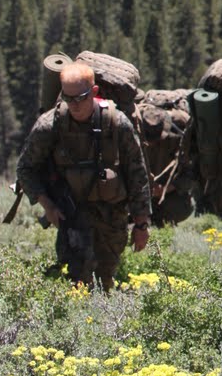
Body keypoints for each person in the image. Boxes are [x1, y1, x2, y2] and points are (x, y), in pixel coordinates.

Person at [15, 61, 152, 289]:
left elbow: (137, 174)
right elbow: (25, 169)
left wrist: (141, 224)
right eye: (68, 99)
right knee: (75, 281)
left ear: (94, 92)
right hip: (72, 215)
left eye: (81, 97)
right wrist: (48, 205)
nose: (74, 105)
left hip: (112, 217)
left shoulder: (117, 123)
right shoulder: (49, 126)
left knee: (105, 279)